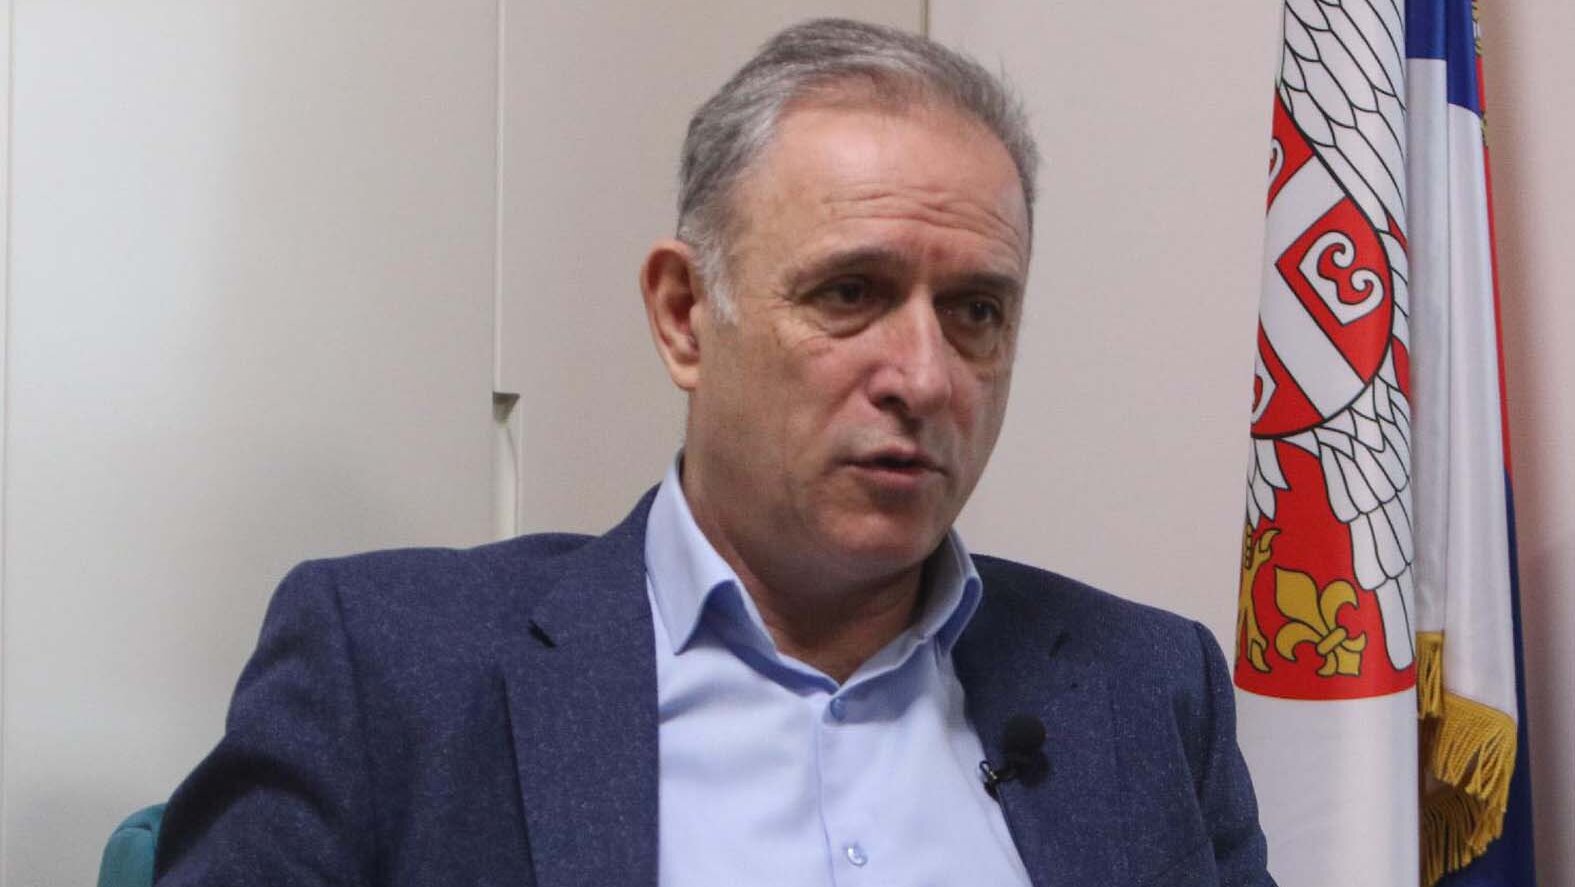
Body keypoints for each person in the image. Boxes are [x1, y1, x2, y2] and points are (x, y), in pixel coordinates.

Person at [155, 18, 1272, 887]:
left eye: (975, 310)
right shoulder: (390, 669)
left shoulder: (1145, 689)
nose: (926, 377)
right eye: (851, 292)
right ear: (685, 315)